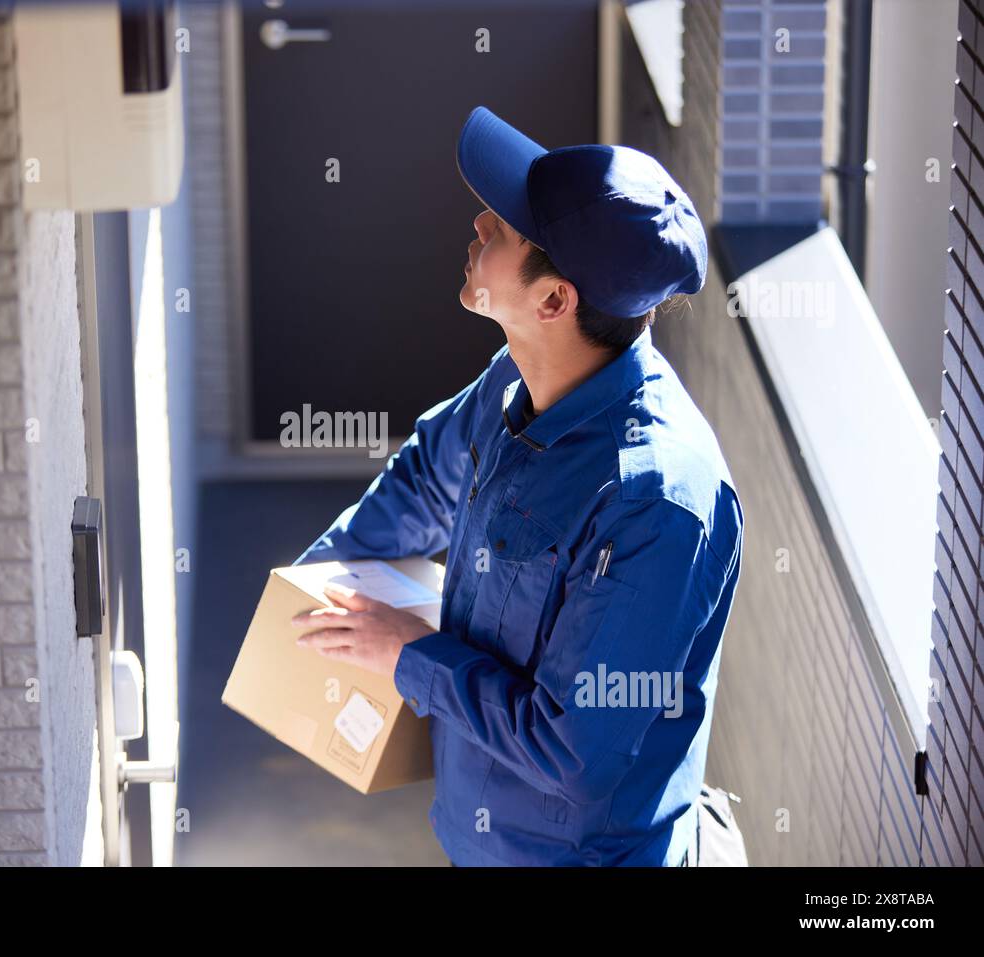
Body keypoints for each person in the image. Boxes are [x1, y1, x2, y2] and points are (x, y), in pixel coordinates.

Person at [289, 106, 744, 866]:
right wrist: (319, 585)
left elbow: (577, 754)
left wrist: (410, 654)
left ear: (555, 301)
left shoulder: (657, 504)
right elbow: (426, 477)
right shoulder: (516, 377)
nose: (478, 223)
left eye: (502, 228)